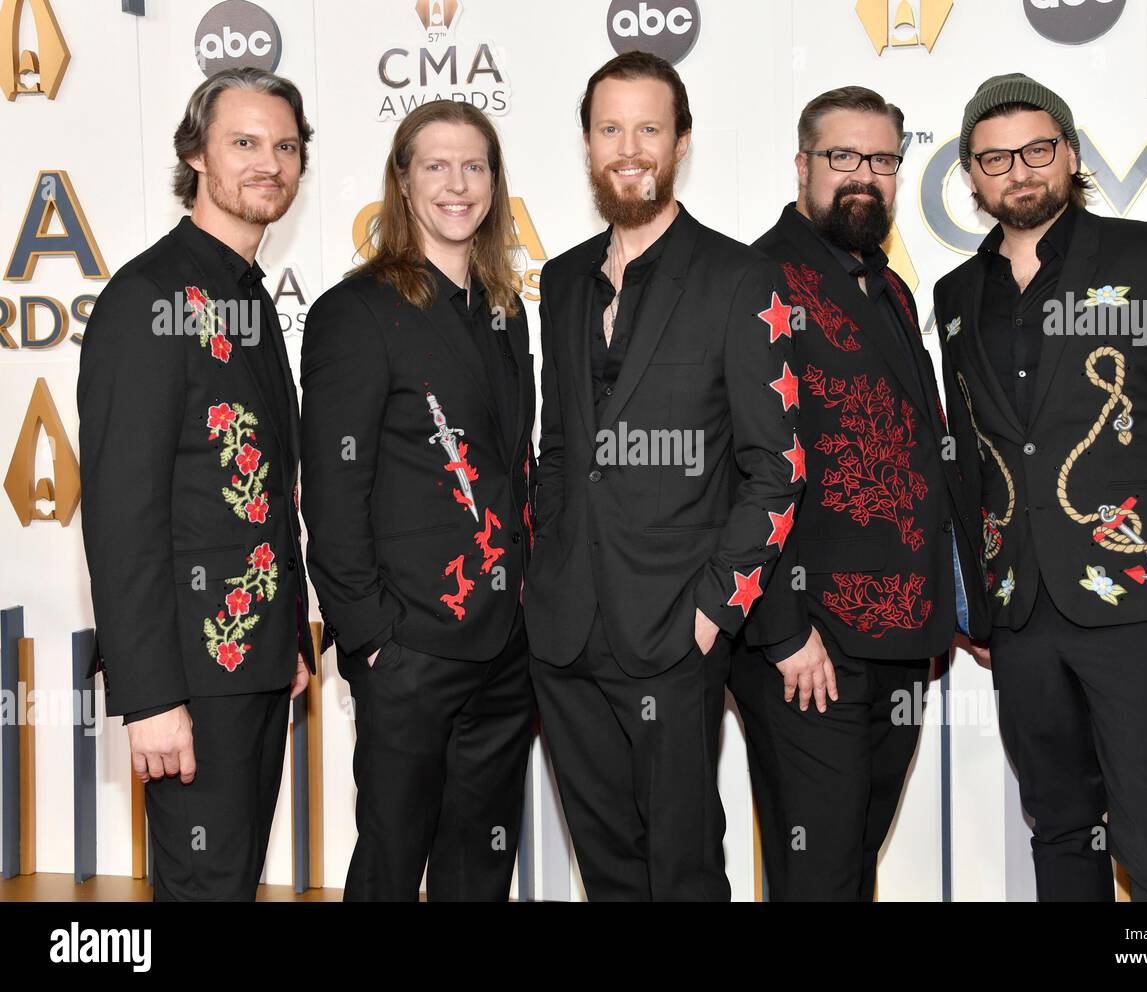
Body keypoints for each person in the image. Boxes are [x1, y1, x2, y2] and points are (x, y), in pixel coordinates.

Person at [934, 73, 1147, 901]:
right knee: (1057, 823)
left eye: (1037, 150)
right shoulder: (955, 297)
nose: (1019, 171)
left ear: (1071, 155)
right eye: (995, 158)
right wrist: (977, 596)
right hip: (1021, 605)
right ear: (972, 177)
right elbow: (969, 461)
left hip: (1143, 594)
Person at [524, 51, 802, 900]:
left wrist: (717, 610)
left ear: (682, 142)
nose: (630, 147)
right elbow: (563, 447)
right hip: (566, 629)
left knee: (682, 865)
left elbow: (776, 468)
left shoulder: (738, 277)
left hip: (677, 632)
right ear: (587, 144)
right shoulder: (565, 278)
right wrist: (546, 571)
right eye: (611, 128)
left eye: (649, 127)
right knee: (606, 865)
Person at [732, 86, 990, 901]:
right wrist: (780, 632)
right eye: (843, 157)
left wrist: (962, 605)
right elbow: (738, 470)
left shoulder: (888, 286)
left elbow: (923, 458)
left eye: (882, 160)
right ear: (802, 165)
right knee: (820, 874)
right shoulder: (754, 277)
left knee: (849, 867)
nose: (864, 177)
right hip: (809, 643)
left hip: (901, 636)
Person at [78, 67, 315, 901]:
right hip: (187, 683)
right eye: (244, 143)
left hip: (255, 664)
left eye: (285, 146)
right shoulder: (146, 298)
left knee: (233, 886)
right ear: (195, 155)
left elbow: (265, 493)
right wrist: (147, 701)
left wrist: (287, 636)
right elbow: (120, 515)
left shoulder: (247, 298)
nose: (269, 164)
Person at [300, 101, 535, 901]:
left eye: (474, 165)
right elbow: (332, 493)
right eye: (435, 165)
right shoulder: (354, 312)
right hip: (409, 652)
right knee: (393, 866)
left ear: (495, 183)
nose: (457, 184)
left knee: (480, 870)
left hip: (506, 648)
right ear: (402, 182)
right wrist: (371, 642)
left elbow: (514, 469)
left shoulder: (507, 311)